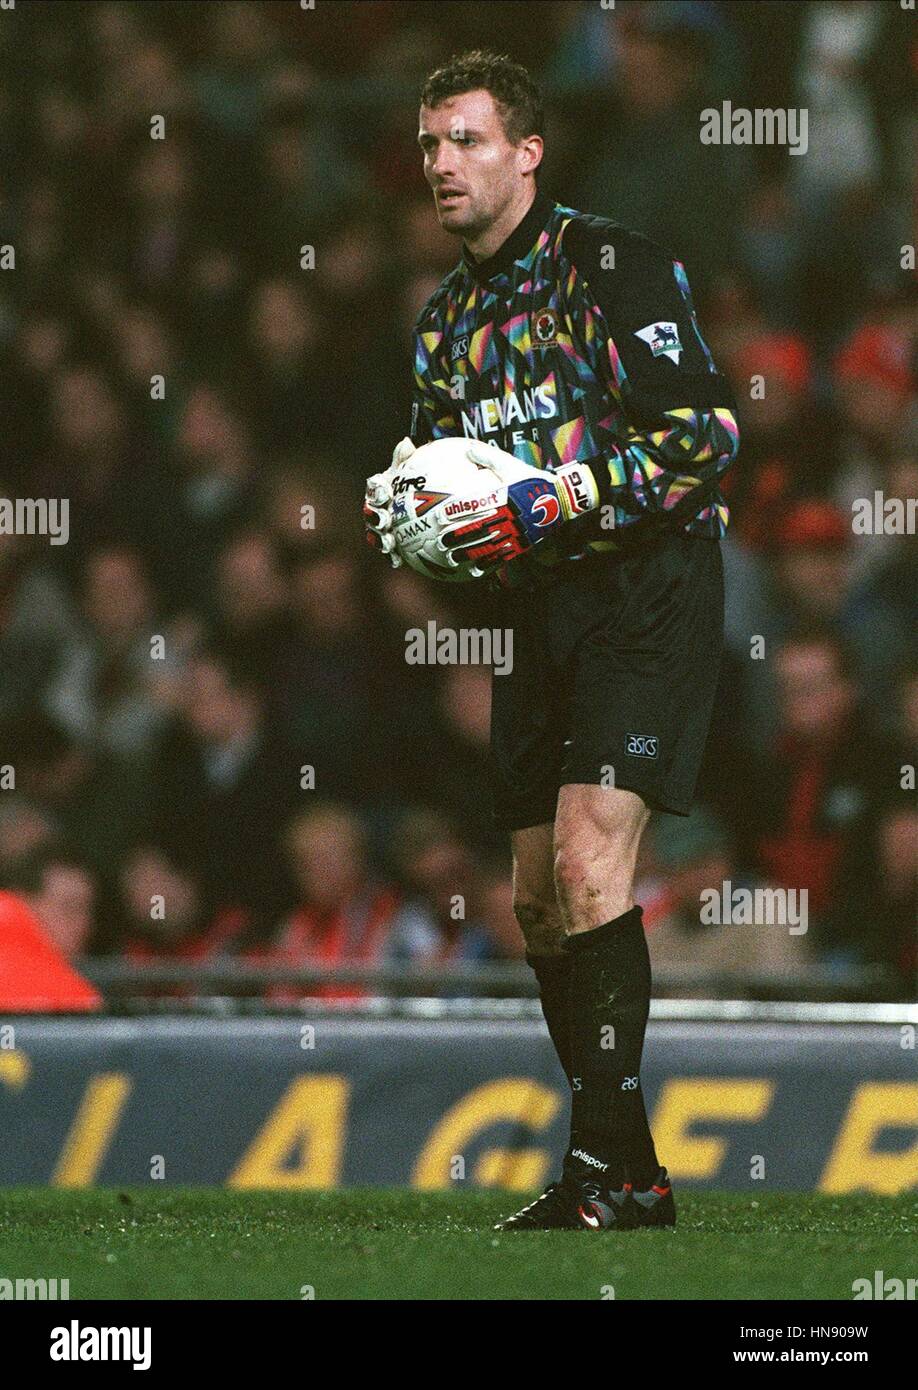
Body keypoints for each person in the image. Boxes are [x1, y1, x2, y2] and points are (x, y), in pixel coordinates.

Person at [364, 50, 739, 1231]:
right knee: (534, 901)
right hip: (538, 613)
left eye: (467, 139)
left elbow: (707, 435)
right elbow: (436, 487)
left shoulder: (609, 261)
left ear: (528, 151)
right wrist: (415, 526)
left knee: (588, 864)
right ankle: (624, 1168)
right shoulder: (447, 320)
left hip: (646, 587)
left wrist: (560, 497)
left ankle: (610, 1171)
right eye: (430, 143)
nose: (442, 164)